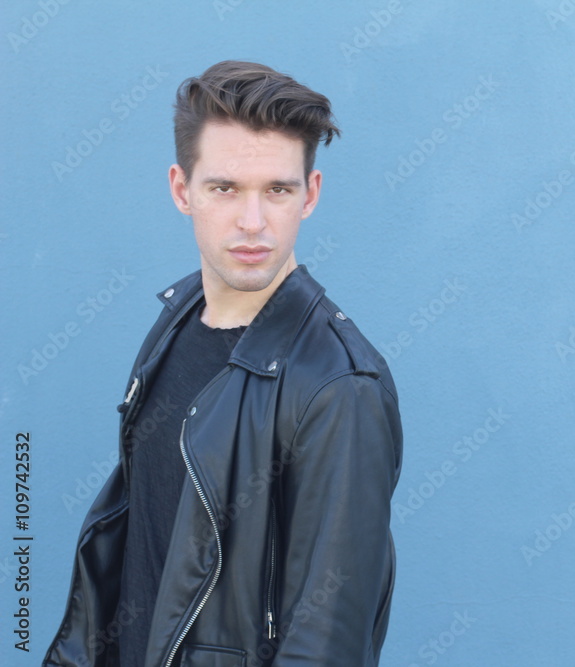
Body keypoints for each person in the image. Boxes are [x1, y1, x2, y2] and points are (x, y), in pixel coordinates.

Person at [44, 60, 403, 667]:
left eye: (278, 190)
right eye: (225, 188)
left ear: (310, 195)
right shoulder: (177, 318)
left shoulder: (339, 388)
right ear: (182, 190)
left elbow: (326, 646)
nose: (253, 222)